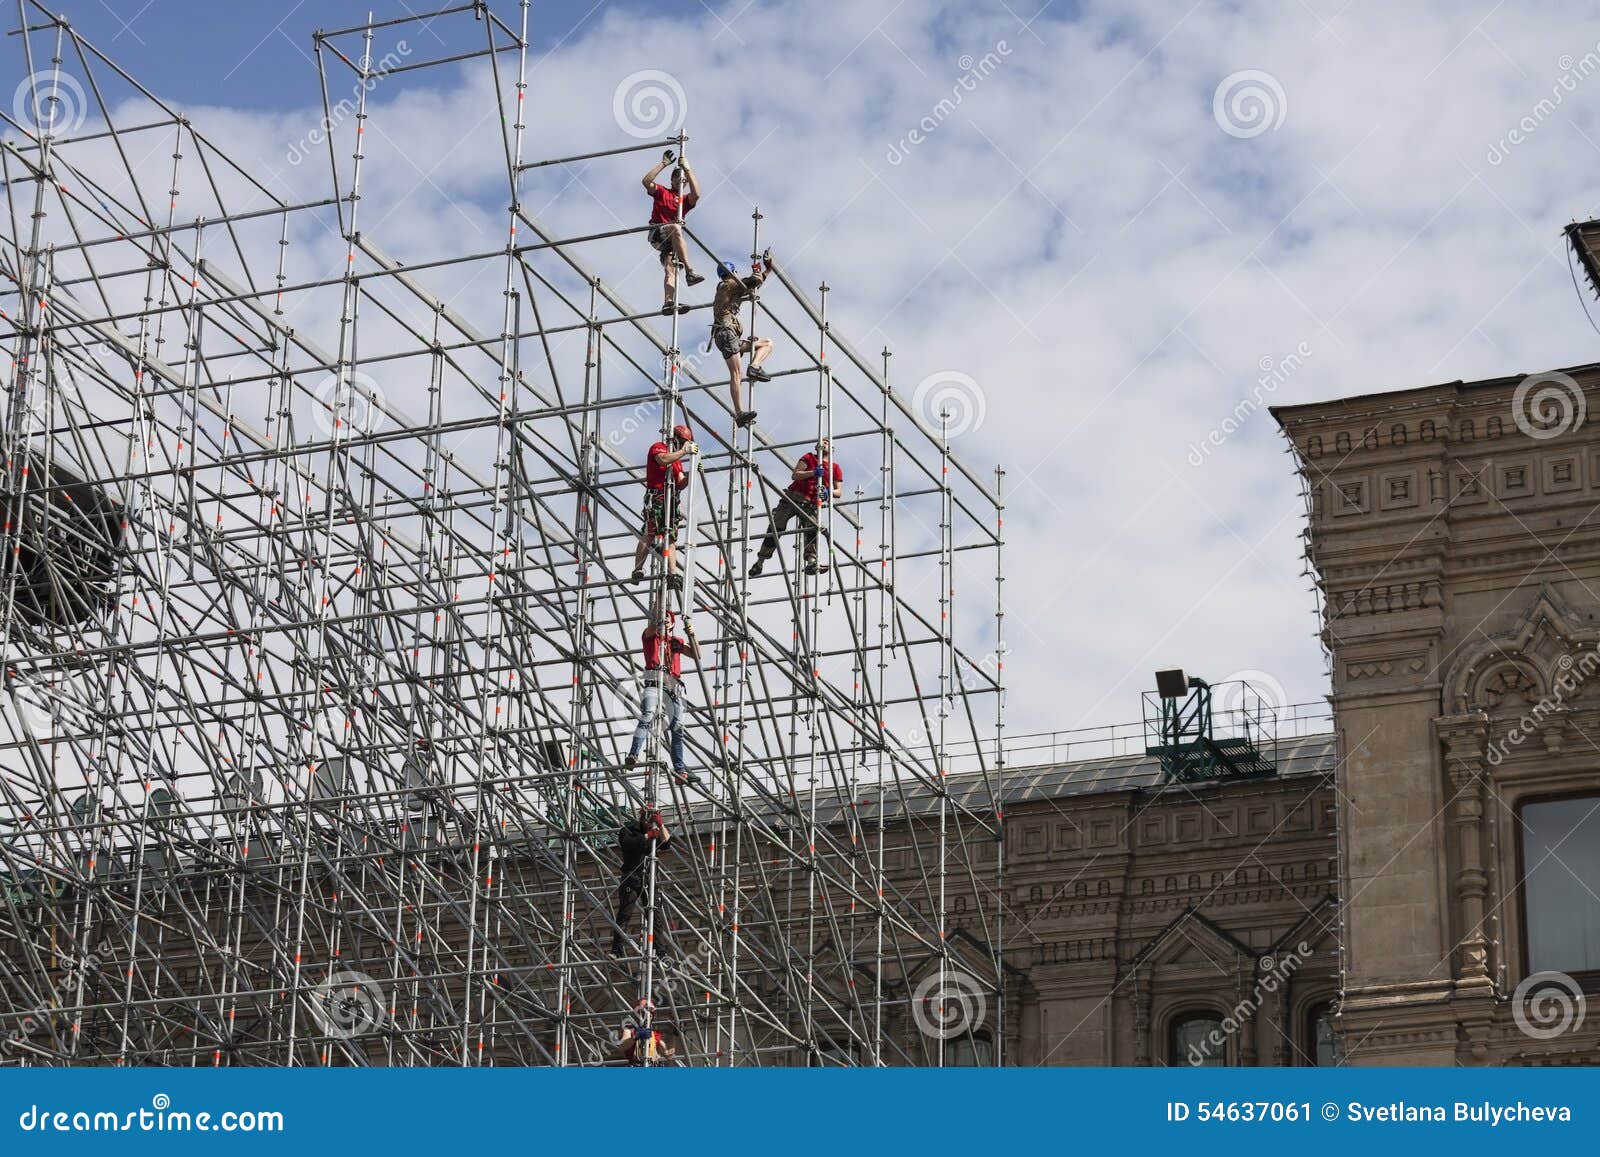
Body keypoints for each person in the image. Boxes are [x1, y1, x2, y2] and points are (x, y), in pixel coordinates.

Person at [624, 609, 700, 782]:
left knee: (677, 728)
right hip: (654, 682)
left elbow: (696, 654)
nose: (664, 620)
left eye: (667, 618)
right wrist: (658, 616)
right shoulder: (651, 636)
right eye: (661, 618)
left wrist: (691, 633)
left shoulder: (676, 642)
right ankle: (633, 755)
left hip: (674, 687)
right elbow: (653, 625)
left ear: (672, 624)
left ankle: (680, 771)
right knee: (648, 715)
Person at [750, 438, 843, 576]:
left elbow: (838, 492)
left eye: (826, 442)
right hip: (793, 498)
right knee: (776, 527)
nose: (823, 443)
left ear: (832, 449)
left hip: (811, 504)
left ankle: (811, 562)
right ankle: (760, 561)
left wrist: (829, 492)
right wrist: (813, 472)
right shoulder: (809, 457)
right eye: (821, 442)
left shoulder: (835, 468)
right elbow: (795, 475)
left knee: (811, 530)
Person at [708, 251, 775, 428]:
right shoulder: (728, 284)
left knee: (766, 344)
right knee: (736, 374)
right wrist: (759, 270)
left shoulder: (730, 289)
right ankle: (739, 413)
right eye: (736, 272)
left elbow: (752, 286)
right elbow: (753, 281)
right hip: (726, 333)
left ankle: (754, 366)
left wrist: (767, 270)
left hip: (730, 336)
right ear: (732, 272)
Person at [632, 424, 696, 590]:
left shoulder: (677, 462)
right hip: (657, 497)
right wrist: (684, 451)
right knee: (650, 532)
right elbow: (662, 459)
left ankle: (672, 574)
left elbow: (680, 483)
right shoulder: (659, 447)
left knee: (671, 537)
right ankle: (638, 568)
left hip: (671, 500)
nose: (683, 445)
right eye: (683, 442)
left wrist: (692, 473)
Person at [642, 150, 703, 314]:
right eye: (677, 177)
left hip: (671, 241)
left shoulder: (684, 201)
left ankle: (668, 302)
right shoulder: (663, 192)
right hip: (657, 233)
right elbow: (646, 181)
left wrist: (688, 170)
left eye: (683, 179)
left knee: (671, 270)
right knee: (676, 227)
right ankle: (690, 271)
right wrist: (663, 164)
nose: (680, 180)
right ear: (672, 179)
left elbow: (696, 194)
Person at [611, 807, 672, 958]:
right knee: (625, 913)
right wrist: (647, 835)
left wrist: (660, 825)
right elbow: (628, 844)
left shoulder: (655, 832)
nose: (649, 822)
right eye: (647, 819)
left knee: (655, 915)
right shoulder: (629, 830)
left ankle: (661, 951)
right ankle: (616, 950)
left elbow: (666, 843)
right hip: (632, 877)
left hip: (649, 878)